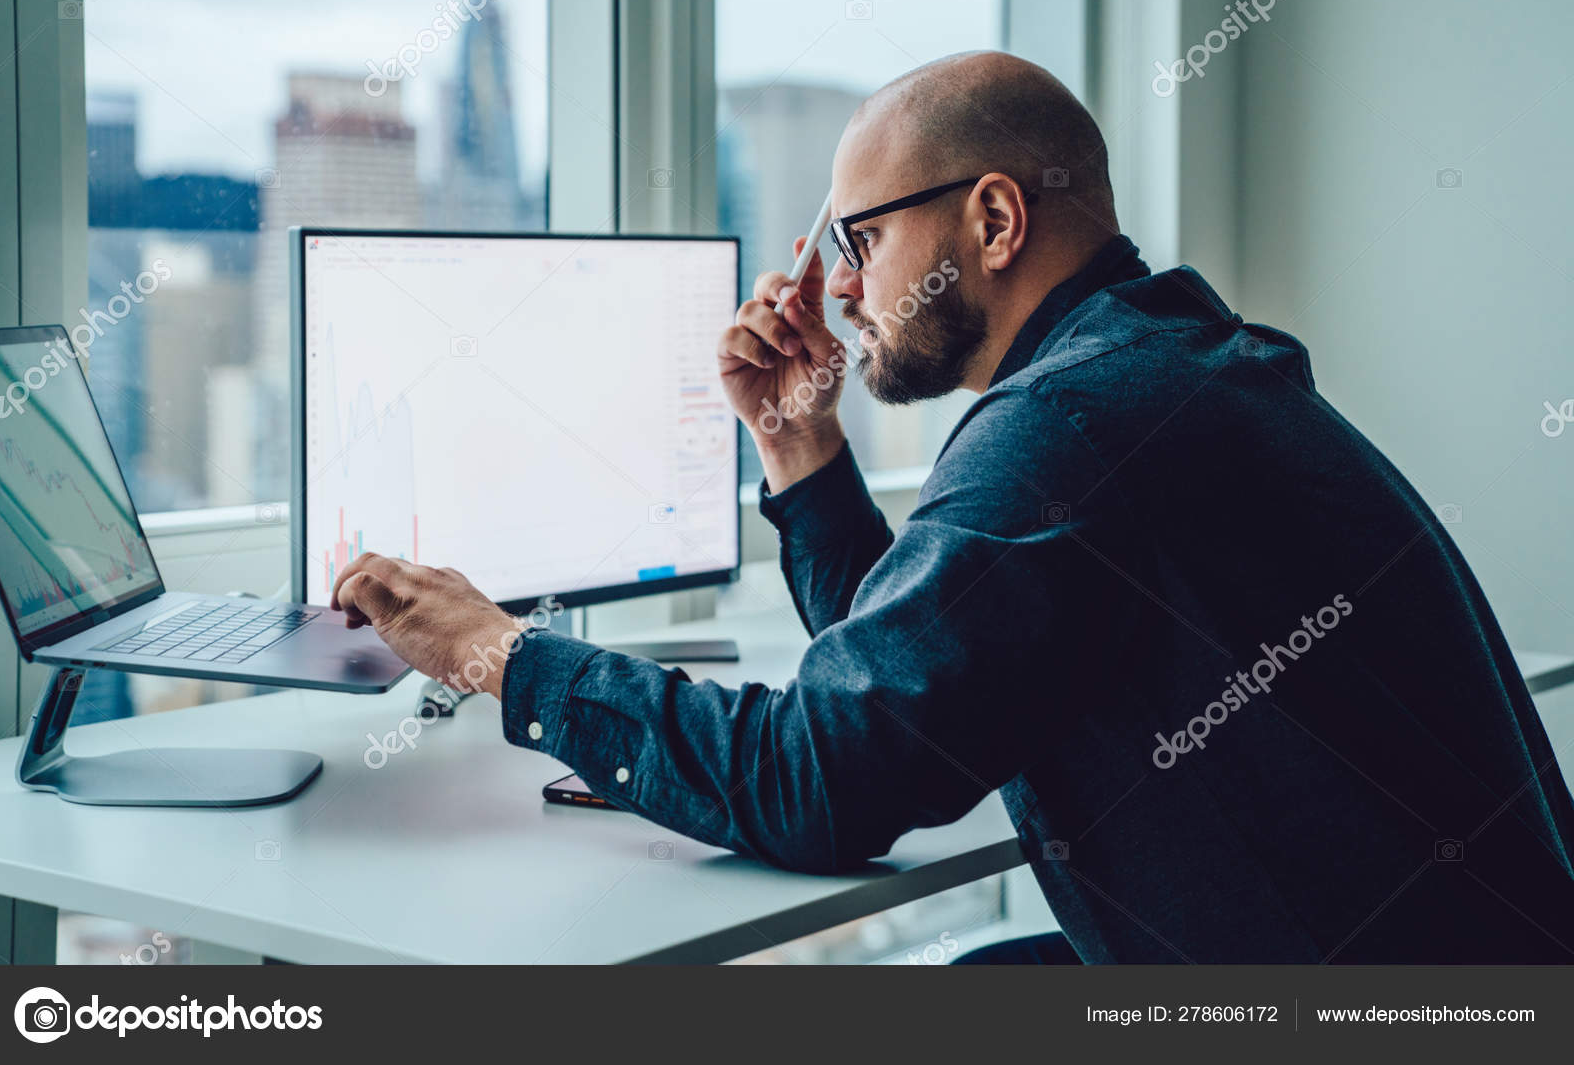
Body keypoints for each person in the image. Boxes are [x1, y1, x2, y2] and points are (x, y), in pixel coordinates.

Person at [331, 51, 1574, 964]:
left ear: (991, 217)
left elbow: (825, 787)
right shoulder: (1165, 364)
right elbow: (920, 683)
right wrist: (800, 445)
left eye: (859, 237)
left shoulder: (1065, 429)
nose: (840, 287)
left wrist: (496, 651)